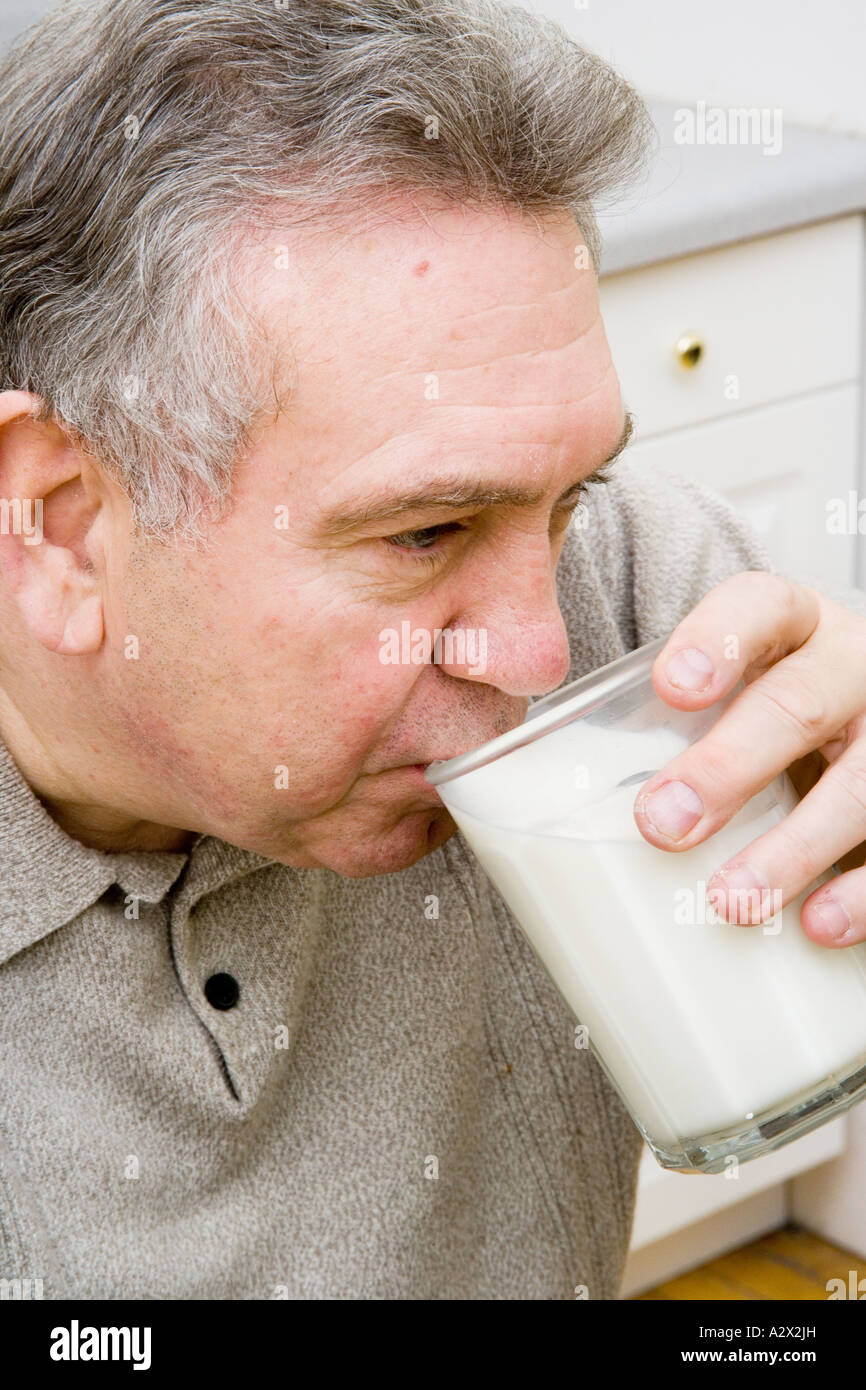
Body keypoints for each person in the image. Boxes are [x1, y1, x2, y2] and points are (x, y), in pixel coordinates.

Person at [1, 0, 864, 1301]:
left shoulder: (655, 620)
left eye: (567, 495)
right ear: (63, 528)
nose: (539, 648)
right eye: (425, 532)